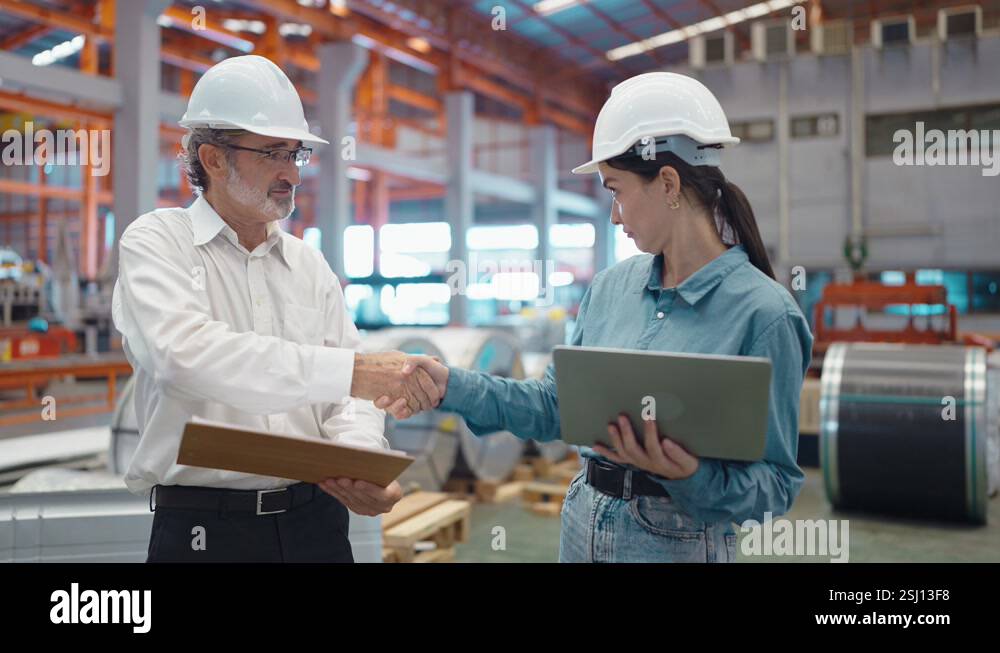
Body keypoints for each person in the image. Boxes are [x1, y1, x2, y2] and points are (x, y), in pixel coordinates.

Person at [383, 72, 813, 563]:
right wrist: (450, 386)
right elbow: (553, 406)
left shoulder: (765, 315)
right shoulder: (612, 289)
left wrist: (690, 476)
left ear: (668, 184)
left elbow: (774, 487)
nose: (613, 215)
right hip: (584, 516)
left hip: (678, 540)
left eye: (616, 190)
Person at [112, 55, 440, 563]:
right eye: (272, 153)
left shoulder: (308, 265)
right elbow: (185, 357)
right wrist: (350, 373)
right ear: (213, 158)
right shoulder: (157, 242)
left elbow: (348, 399)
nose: (292, 172)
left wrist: (363, 463)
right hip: (204, 531)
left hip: (316, 524)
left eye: (297, 154)